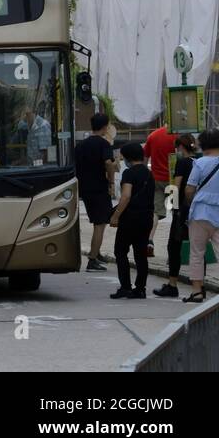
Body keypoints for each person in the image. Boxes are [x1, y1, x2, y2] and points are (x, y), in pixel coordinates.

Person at [182, 127, 219, 304]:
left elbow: (189, 189)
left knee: (197, 253)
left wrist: (193, 202)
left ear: (203, 144)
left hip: (200, 214)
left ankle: (197, 292)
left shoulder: (199, 163)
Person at [109, 142, 155, 299]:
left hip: (130, 218)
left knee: (120, 251)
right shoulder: (149, 173)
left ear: (128, 157)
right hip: (146, 218)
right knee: (140, 254)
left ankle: (126, 287)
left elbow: (126, 195)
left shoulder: (129, 173)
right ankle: (140, 288)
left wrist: (116, 216)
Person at [154, 134, 197, 298]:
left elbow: (175, 186)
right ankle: (198, 285)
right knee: (197, 247)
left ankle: (172, 284)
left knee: (174, 247)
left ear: (180, 147)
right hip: (196, 210)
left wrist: (171, 206)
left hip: (182, 212)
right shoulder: (198, 162)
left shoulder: (182, 162)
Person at [74, 112, 118, 271]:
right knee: (100, 224)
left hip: (84, 189)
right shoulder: (104, 144)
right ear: (105, 127)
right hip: (99, 188)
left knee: (96, 221)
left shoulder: (80, 145)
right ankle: (92, 260)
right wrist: (111, 182)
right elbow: (109, 163)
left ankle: (96, 252)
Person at [143, 124, 176, 256]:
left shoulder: (153, 135)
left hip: (156, 180)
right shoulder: (178, 136)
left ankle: (149, 240)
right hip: (174, 181)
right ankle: (175, 242)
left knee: (155, 212)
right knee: (175, 211)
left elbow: (145, 159)